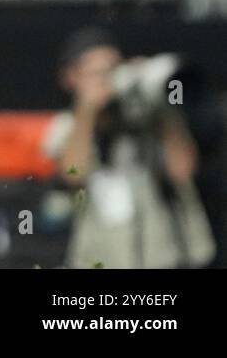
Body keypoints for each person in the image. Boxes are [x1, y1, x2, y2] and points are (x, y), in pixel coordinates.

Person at [43, 28, 215, 268]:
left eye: (115, 69)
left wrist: (161, 103)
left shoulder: (148, 120)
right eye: (97, 73)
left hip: (163, 257)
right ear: (71, 78)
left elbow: (183, 171)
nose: (109, 79)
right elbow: (73, 174)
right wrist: (88, 110)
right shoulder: (68, 126)